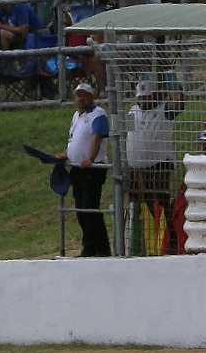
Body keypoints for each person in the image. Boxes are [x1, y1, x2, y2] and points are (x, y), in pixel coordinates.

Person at [122, 80, 184, 254]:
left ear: (155, 95)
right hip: (137, 170)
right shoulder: (132, 111)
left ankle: (170, 245)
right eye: (141, 98)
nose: (143, 101)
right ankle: (145, 246)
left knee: (162, 208)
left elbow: (180, 103)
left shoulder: (164, 109)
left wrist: (174, 83)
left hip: (159, 167)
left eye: (147, 97)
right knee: (141, 210)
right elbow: (128, 136)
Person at [63, 81, 111, 257]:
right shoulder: (77, 116)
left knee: (89, 208)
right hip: (77, 168)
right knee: (82, 209)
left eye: (84, 95)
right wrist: (66, 154)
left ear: (92, 97)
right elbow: (73, 140)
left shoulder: (98, 115)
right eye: (78, 95)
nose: (81, 98)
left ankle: (91, 247)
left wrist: (90, 159)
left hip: (92, 168)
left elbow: (97, 138)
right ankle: (100, 247)